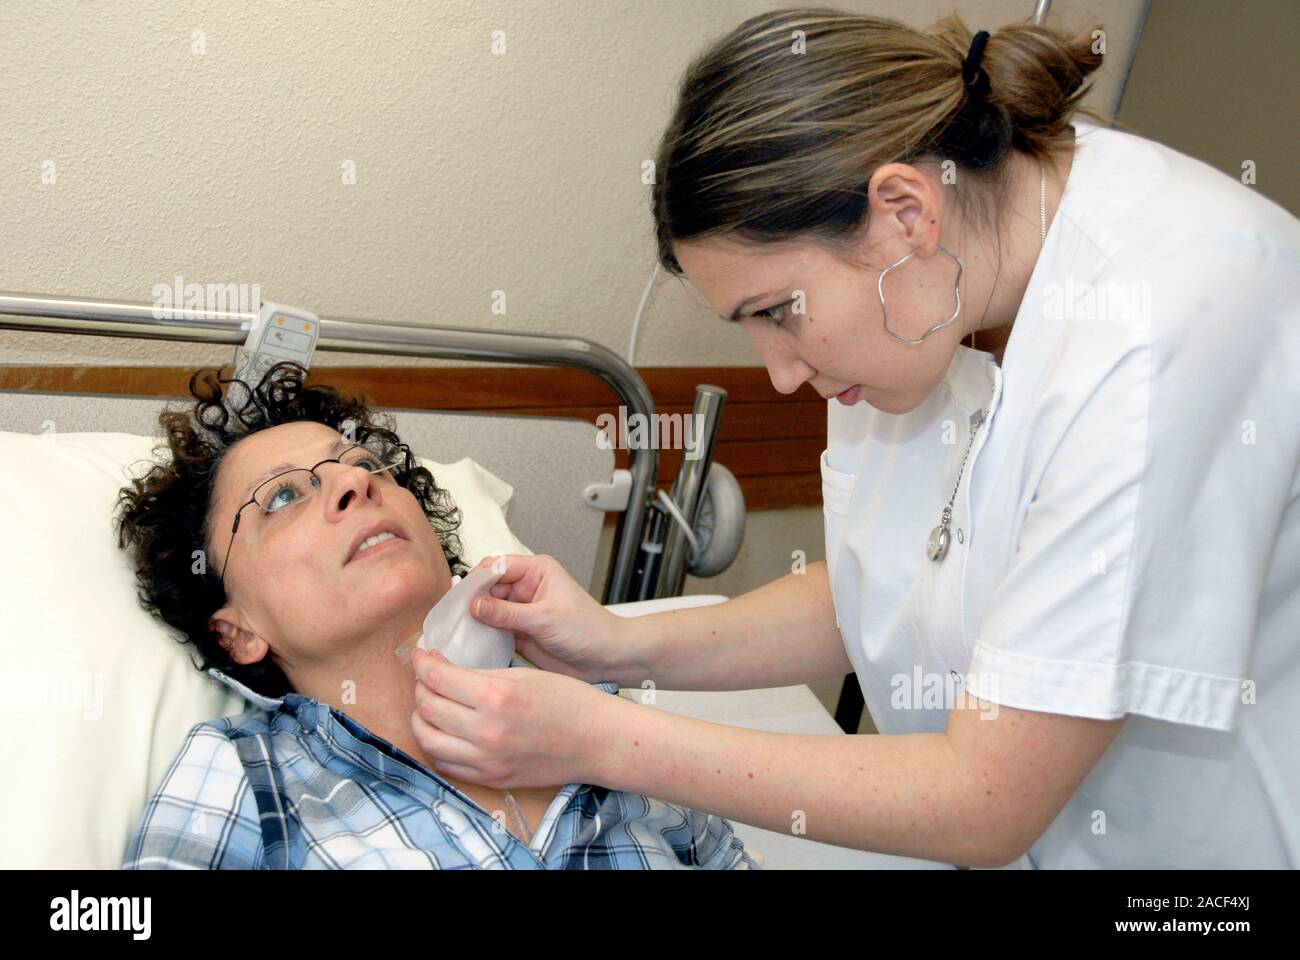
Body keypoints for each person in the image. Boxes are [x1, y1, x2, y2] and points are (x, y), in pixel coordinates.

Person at [410, 10, 1300, 868]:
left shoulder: (1160, 327)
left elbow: (982, 800)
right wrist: (617, 646)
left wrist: (599, 739)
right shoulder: (917, 294)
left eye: (777, 312)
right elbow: (881, 589)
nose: (784, 374)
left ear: (905, 212)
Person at [115, 363, 758, 869]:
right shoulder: (245, 779)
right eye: (281, 496)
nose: (354, 483)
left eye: (366, 467)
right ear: (239, 631)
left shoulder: (597, 714)